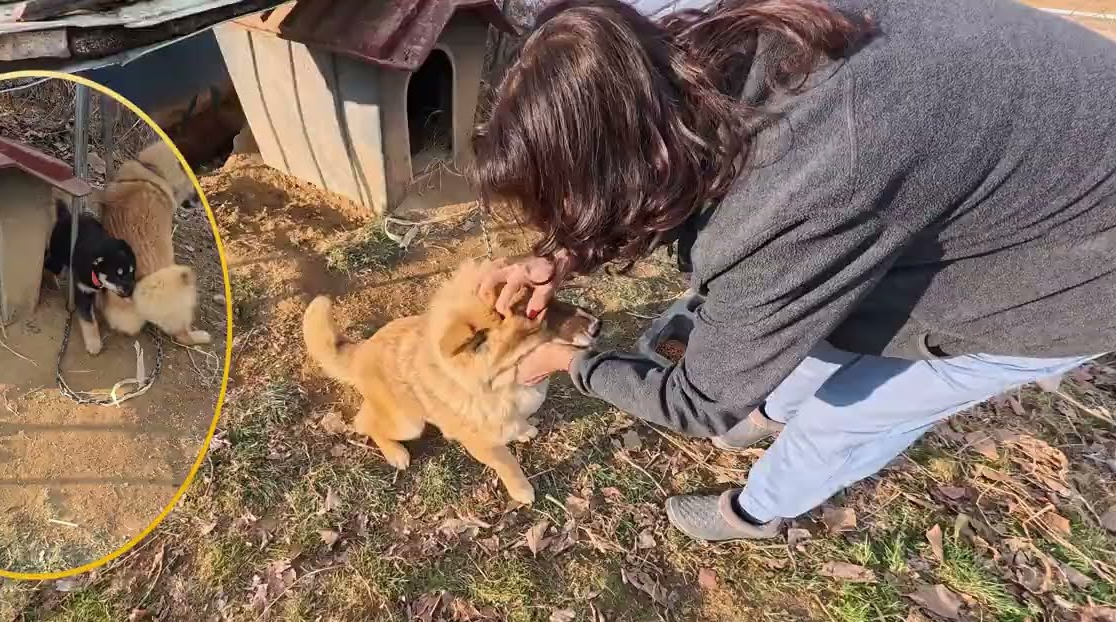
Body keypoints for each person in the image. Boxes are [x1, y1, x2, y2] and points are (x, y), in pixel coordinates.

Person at [471, 0, 1116, 541]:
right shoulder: (714, 50)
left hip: (1079, 269)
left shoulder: (794, 200)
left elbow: (697, 403)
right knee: (812, 337)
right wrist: (564, 253)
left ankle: (756, 511)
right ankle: (768, 412)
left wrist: (569, 362)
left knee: (848, 412)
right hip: (1034, 134)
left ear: (625, 172)